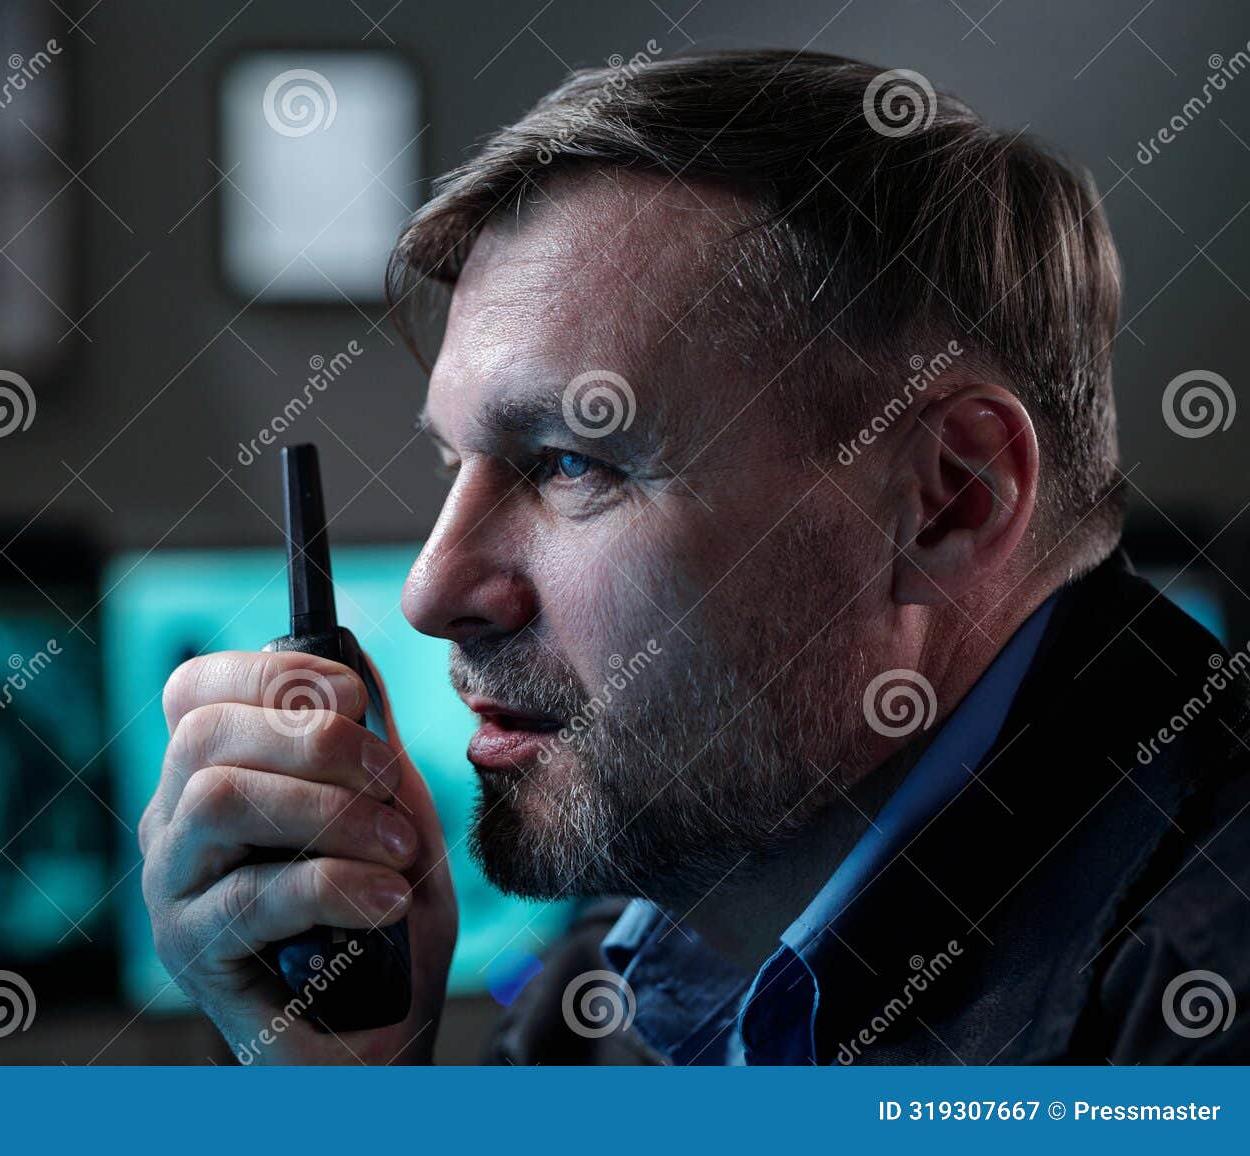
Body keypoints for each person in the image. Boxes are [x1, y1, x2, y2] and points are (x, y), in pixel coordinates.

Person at [139, 49, 1250, 1064]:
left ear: (947, 499)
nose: (432, 591)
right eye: (453, 462)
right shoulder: (641, 939)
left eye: (571, 462)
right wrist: (358, 1087)